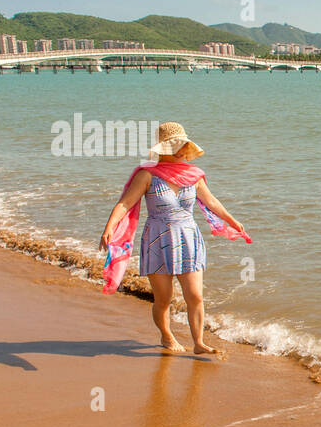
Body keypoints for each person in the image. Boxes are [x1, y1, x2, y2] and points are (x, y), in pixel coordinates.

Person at [99, 121, 250, 354]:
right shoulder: (147, 175)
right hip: (157, 240)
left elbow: (212, 202)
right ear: (165, 148)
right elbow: (125, 203)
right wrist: (109, 227)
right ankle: (166, 336)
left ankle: (198, 343)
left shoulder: (194, 176)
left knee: (196, 296)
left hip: (189, 239)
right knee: (163, 299)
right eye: (177, 145)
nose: (183, 149)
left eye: (184, 144)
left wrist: (232, 221)